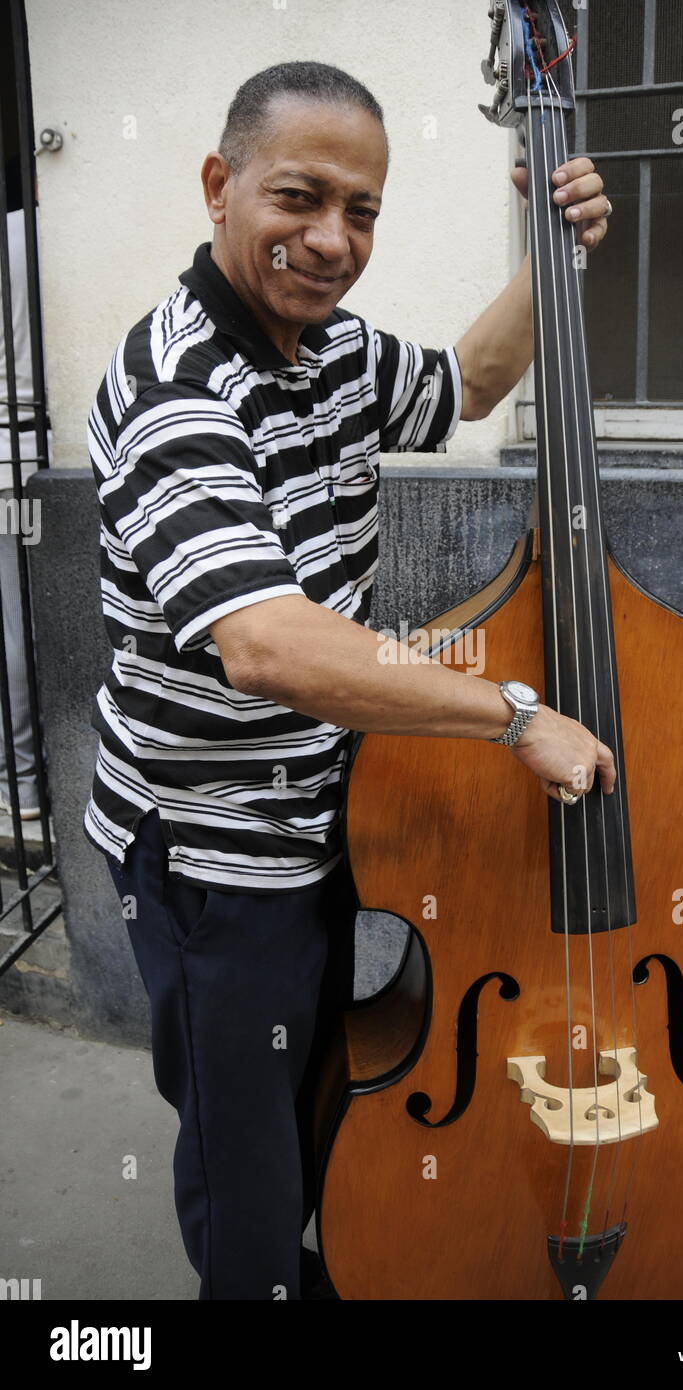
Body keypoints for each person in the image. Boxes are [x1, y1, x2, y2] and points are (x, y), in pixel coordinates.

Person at [82, 60, 615, 1301]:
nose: (331, 240)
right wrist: (514, 717)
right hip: (212, 853)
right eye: (298, 197)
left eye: (360, 211)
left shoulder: (330, 349)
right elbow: (269, 645)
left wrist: (552, 255)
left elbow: (466, 385)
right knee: (249, 1167)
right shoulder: (172, 388)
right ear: (218, 186)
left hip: (321, 821)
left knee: (317, 1099)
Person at [0, 189, 51, 822]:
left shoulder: (11, 234)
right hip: (39, 454)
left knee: (15, 628)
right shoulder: (52, 230)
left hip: (7, 463)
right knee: (31, 626)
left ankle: (26, 785)